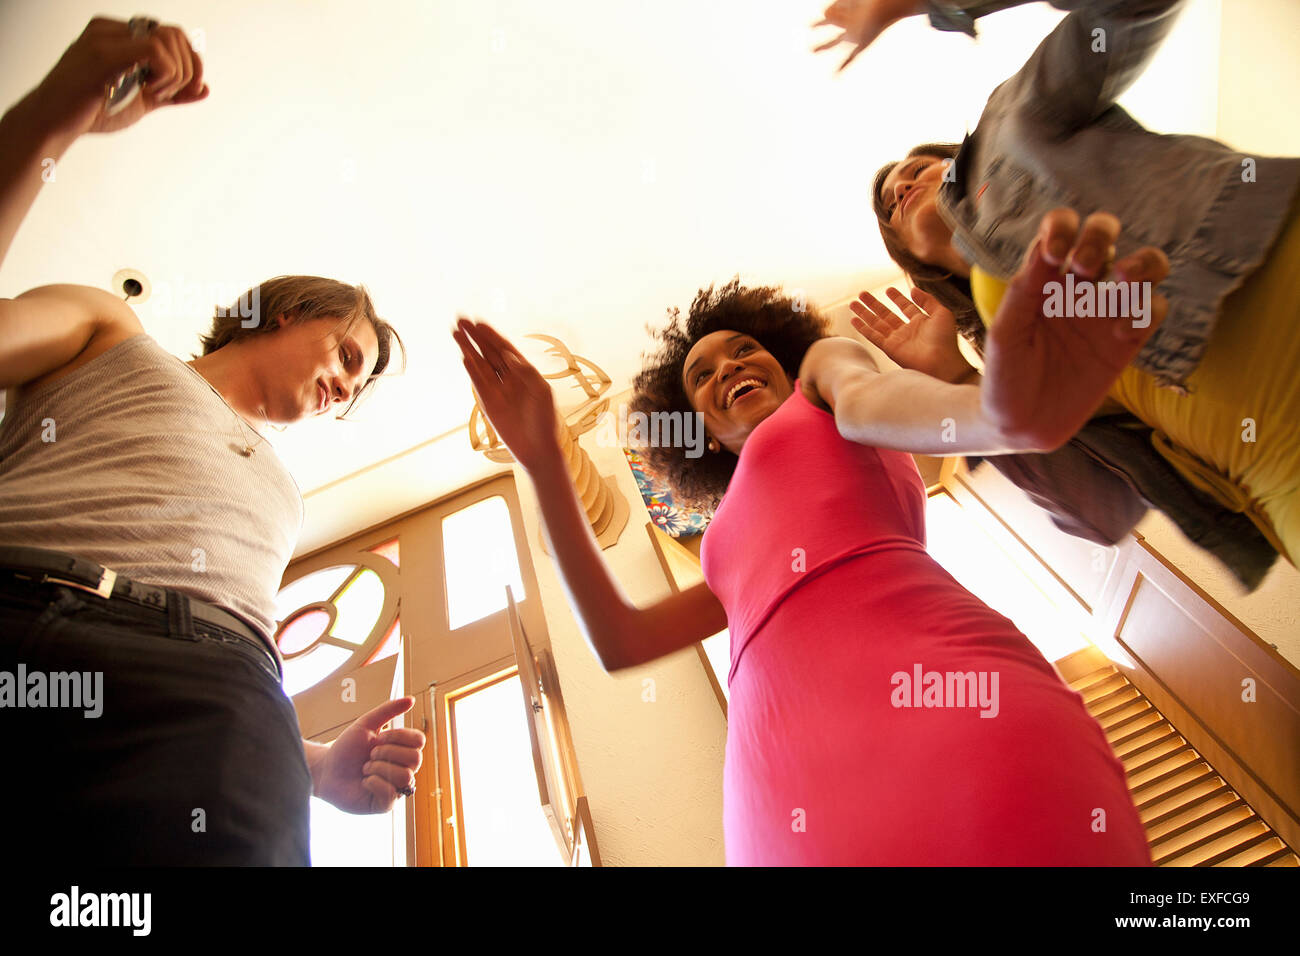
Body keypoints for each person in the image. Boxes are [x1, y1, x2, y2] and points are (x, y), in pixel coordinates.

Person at [454, 209, 1160, 865]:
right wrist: (542, 457)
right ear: (694, 427)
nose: (727, 366)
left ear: (785, 361)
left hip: (943, 713)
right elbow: (620, 641)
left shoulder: (822, 381)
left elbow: (875, 400)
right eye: (701, 375)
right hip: (778, 798)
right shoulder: (725, 538)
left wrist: (1001, 413)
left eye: (744, 349)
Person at [0, 17, 424, 865]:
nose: (344, 385)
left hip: (224, 694)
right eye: (347, 354)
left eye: (355, 386)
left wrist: (312, 767)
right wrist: (57, 111)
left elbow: (213, 641)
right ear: (294, 309)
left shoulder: (285, 492)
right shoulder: (110, 326)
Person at [817, 0, 1300, 573]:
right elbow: (1102, 510)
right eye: (888, 207)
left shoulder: (1011, 124)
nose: (899, 184)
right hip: (1276, 480)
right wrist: (959, 378)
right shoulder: (1004, 358)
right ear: (914, 262)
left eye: (918, 168)